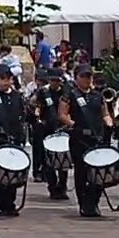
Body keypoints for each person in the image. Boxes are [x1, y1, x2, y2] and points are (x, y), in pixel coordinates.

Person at [58, 63, 113, 218]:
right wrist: (74, 125)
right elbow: (62, 114)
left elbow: (105, 113)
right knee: (82, 172)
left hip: (97, 137)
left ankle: (94, 202)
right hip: (80, 138)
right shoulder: (70, 94)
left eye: (89, 76)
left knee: (99, 172)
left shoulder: (97, 95)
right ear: (76, 78)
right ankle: (84, 203)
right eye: (83, 76)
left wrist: (109, 123)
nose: (87, 79)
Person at [0, 67, 25, 217]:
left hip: (14, 138)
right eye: (2, 79)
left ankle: (11, 202)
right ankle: (0, 203)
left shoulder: (17, 96)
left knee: (13, 171)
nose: (5, 82)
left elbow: (22, 116)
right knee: (0, 172)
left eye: (8, 79)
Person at [31, 69, 69, 199]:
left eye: (57, 80)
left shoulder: (66, 92)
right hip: (47, 128)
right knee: (49, 160)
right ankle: (52, 187)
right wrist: (38, 117)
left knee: (64, 161)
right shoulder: (43, 92)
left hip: (63, 128)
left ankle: (63, 187)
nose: (55, 83)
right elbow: (36, 105)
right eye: (52, 80)